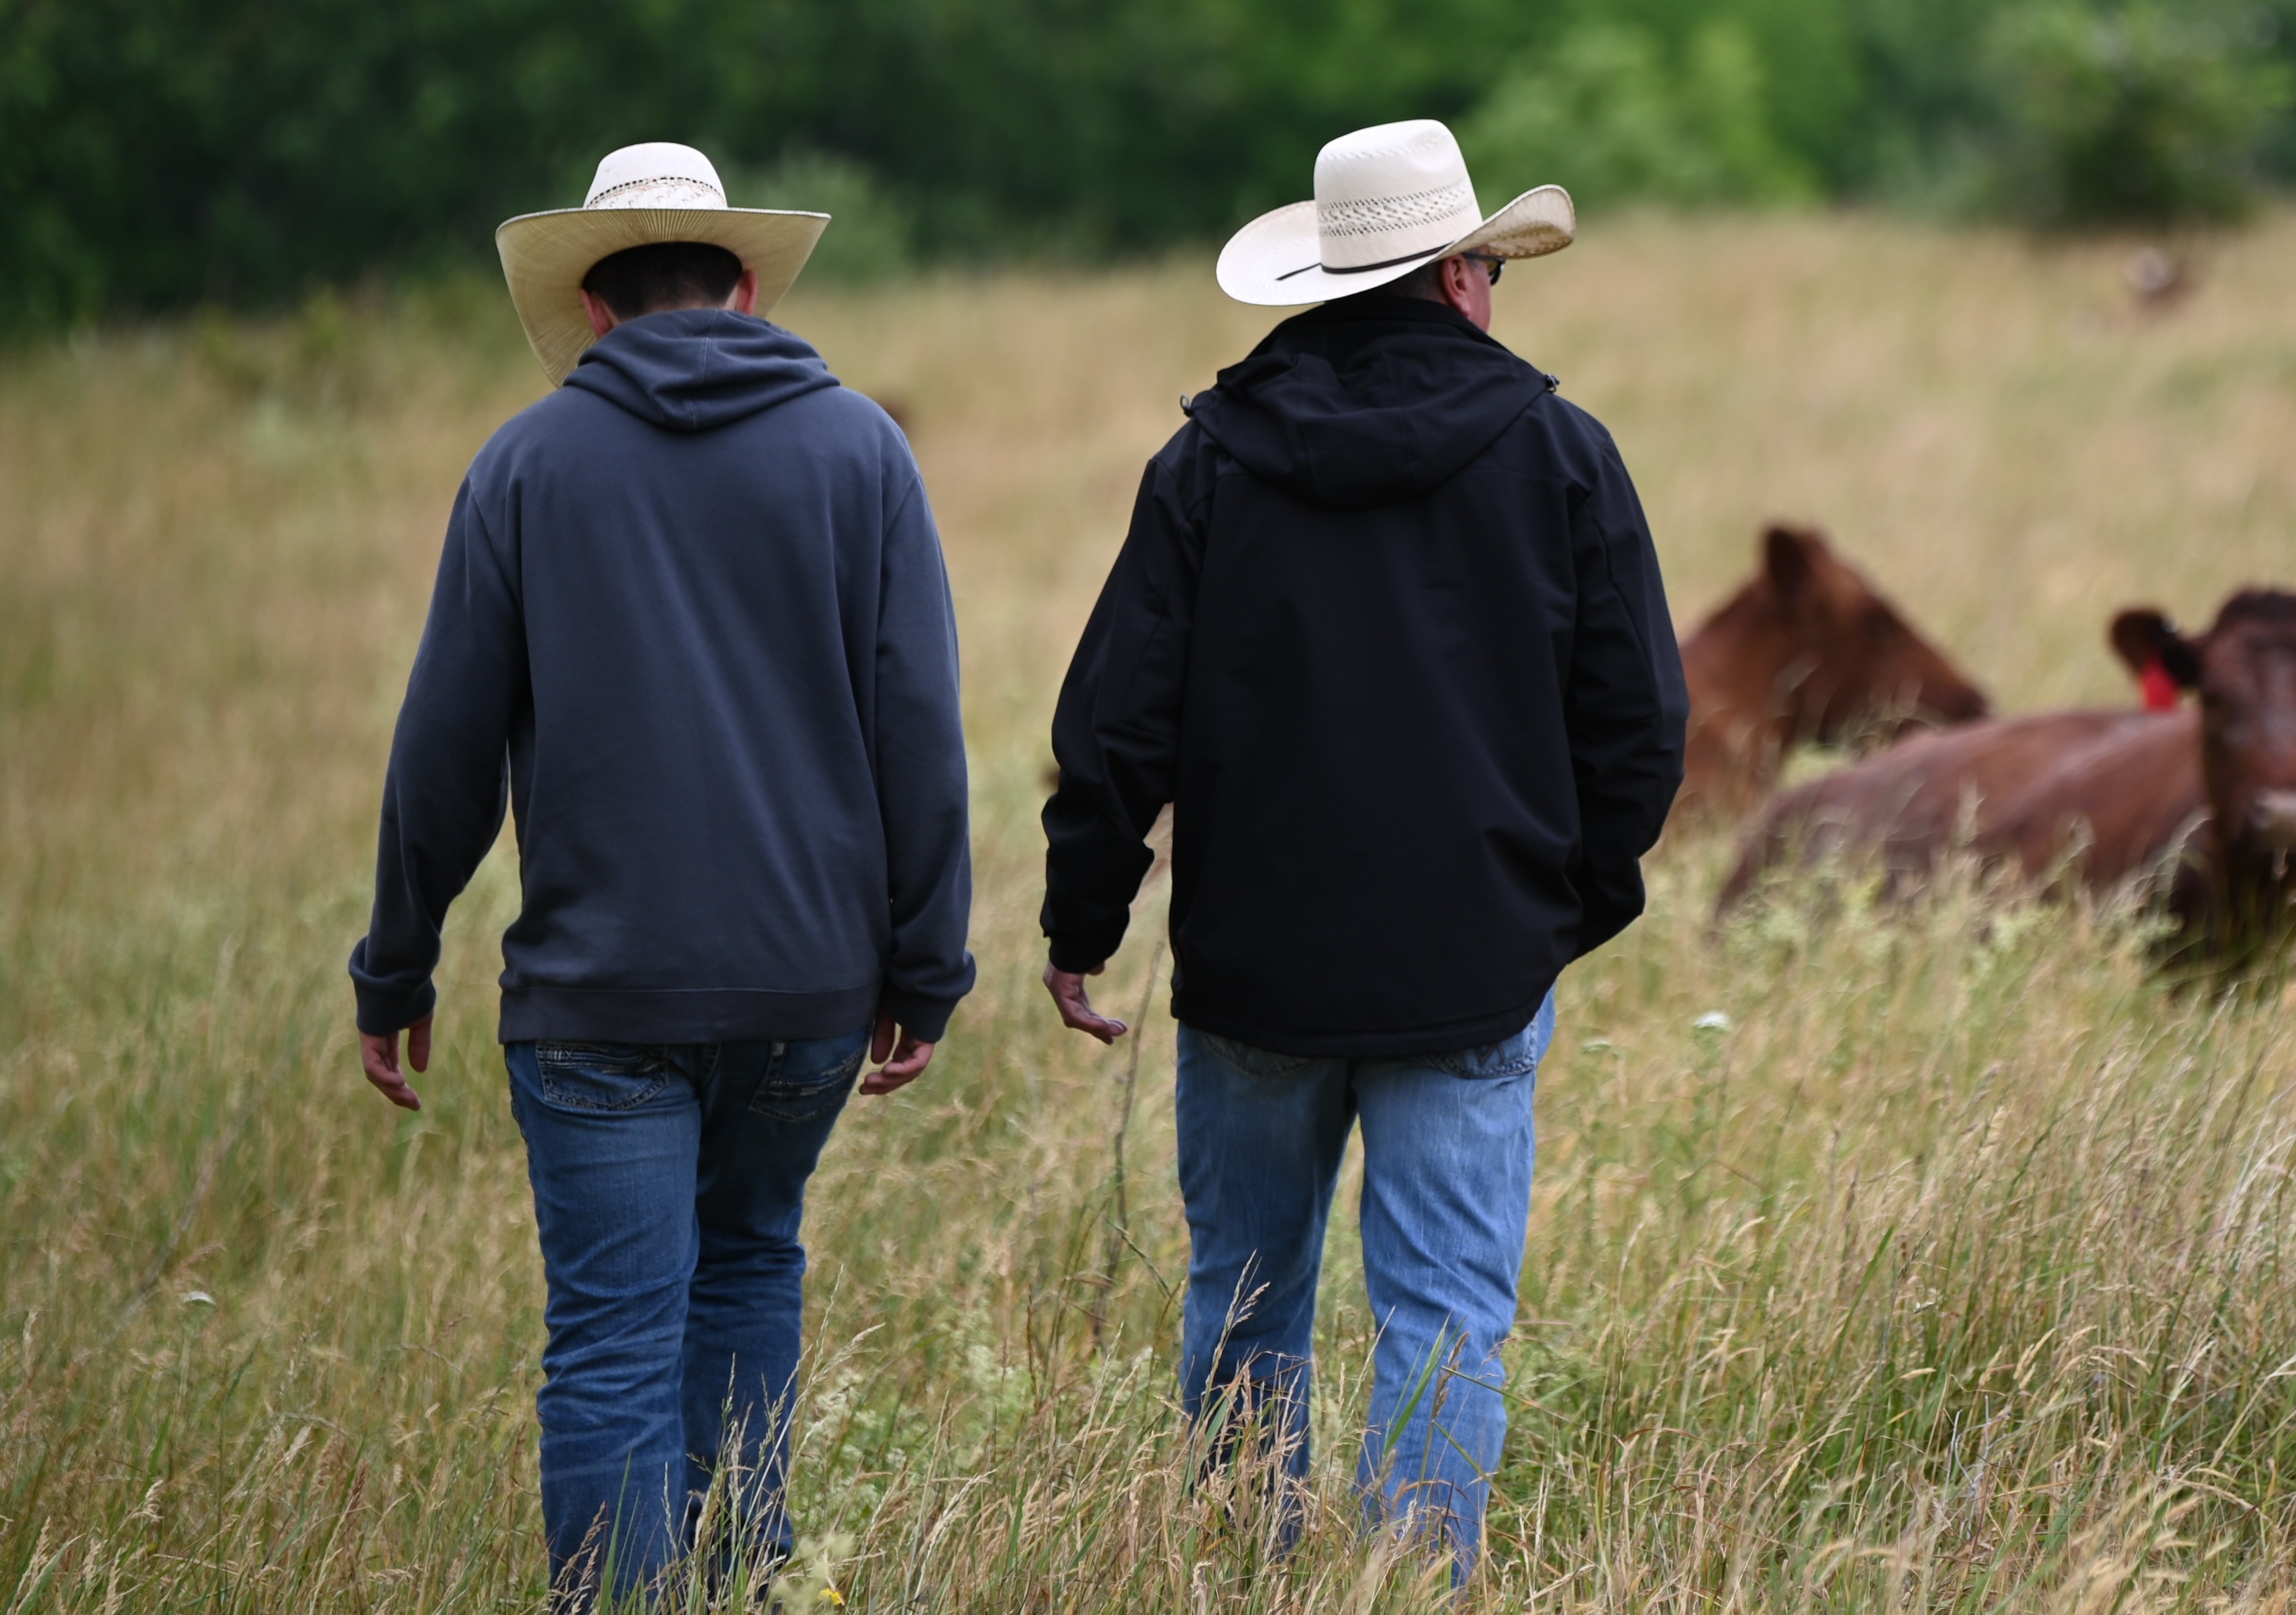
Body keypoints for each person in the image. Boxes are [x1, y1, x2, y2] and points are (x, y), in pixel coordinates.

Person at [1039, 118, 1686, 1576]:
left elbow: (1113, 729)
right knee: (1446, 1308)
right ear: (1462, 276)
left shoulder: (1204, 467)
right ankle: (1408, 1593)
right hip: (1474, 962)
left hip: (1256, 966)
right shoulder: (1565, 457)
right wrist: (1554, 910)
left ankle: (1246, 1579)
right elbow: (1640, 725)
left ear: (1325, 282)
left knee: (1249, 1292)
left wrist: (1080, 924)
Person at [346, 142, 973, 1608]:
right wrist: (926, 967)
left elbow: (439, 747)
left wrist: (397, 963)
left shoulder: (523, 465)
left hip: (594, 993)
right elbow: (922, 729)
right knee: (751, 1262)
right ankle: (755, 1585)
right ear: (748, 286)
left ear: (597, 308)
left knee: (612, 1340)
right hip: (807, 983)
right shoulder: (863, 452)